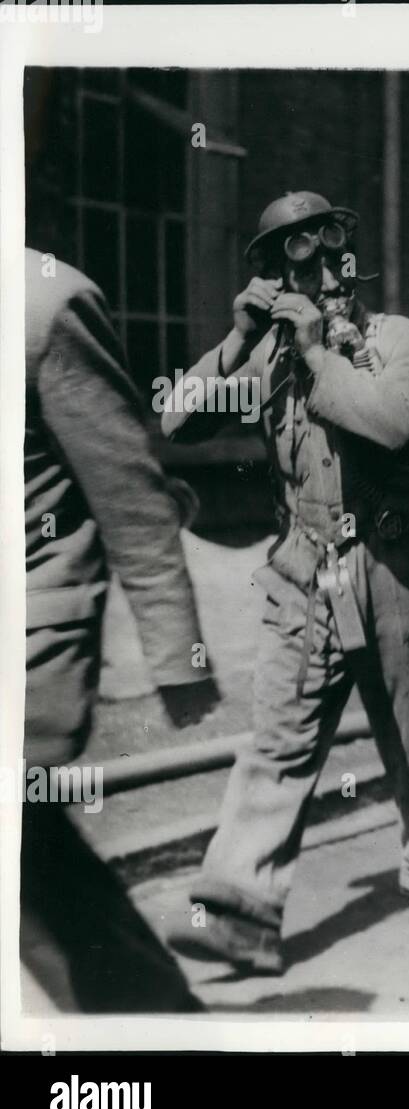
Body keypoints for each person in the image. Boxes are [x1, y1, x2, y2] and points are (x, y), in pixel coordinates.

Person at [163, 192, 409, 975]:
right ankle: (240, 909)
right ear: (276, 274)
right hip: (306, 575)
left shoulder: (402, 341)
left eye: (338, 252)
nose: (332, 269)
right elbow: (177, 420)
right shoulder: (265, 359)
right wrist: (238, 337)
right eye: (305, 258)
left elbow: (395, 421)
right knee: (278, 741)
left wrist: (321, 351)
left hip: (395, 571)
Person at [22, 248, 217, 1011]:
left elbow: (133, 505)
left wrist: (180, 661)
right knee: (44, 884)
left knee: (40, 887)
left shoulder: (47, 305)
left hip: (25, 656)